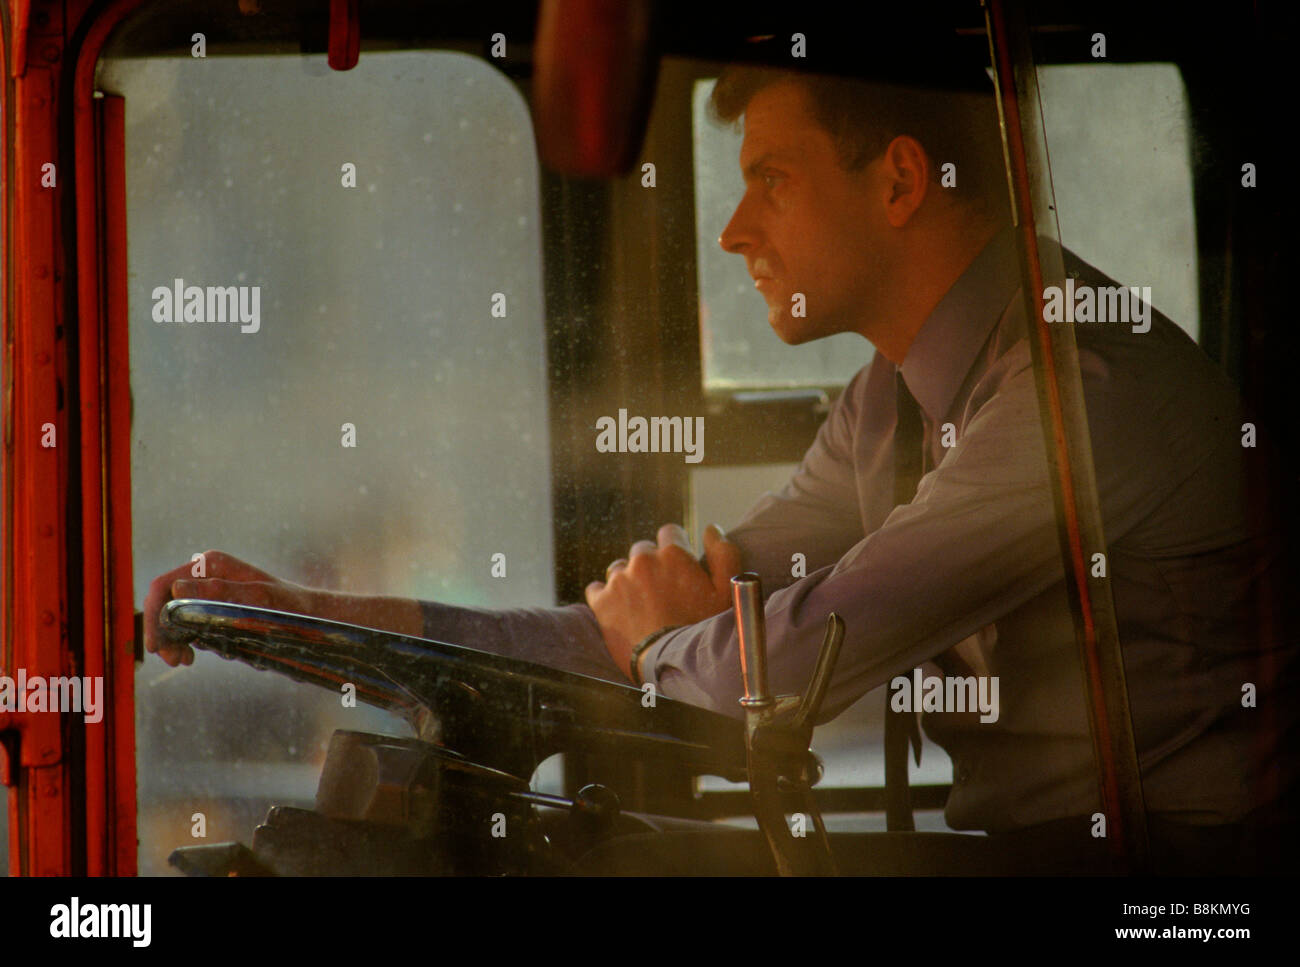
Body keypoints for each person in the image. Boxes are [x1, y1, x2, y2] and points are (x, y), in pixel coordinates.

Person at [143, 63, 1295, 873]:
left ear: (897, 183)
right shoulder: (887, 403)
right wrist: (307, 616)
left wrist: (659, 641)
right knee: (589, 857)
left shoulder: (1072, 393)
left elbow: (788, 662)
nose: (736, 229)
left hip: (1178, 888)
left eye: (772, 180)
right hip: (1028, 855)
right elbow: (657, 638)